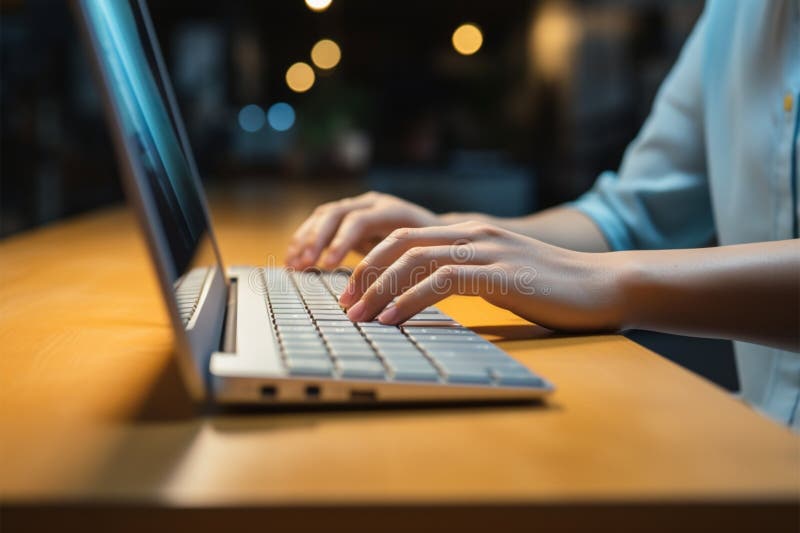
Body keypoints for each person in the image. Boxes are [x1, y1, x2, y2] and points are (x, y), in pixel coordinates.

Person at [285, 0, 800, 429]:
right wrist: (446, 237)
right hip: (759, 433)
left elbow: (606, 261)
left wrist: (606, 284)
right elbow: (628, 215)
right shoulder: (735, 12)